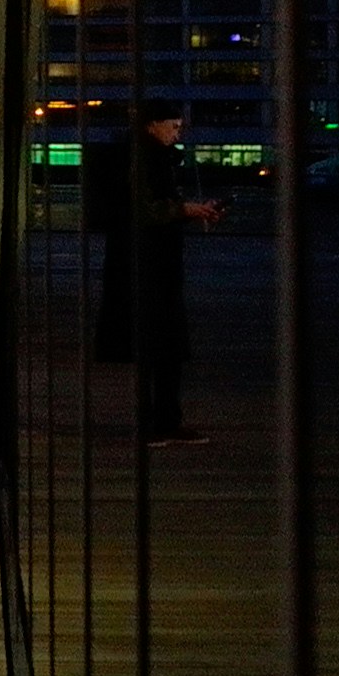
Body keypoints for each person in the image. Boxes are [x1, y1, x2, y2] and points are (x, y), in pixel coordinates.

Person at [94, 101, 219, 444]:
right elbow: (143, 208)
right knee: (159, 343)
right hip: (148, 263)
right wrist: (185, 209)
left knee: (160, 345)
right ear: (153, 125)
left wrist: (185, 210)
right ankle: (159, 422)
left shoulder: (146, 157)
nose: (177, 133)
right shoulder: (144, 160)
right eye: (173, 126)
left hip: (150, 261)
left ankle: (164, 420)